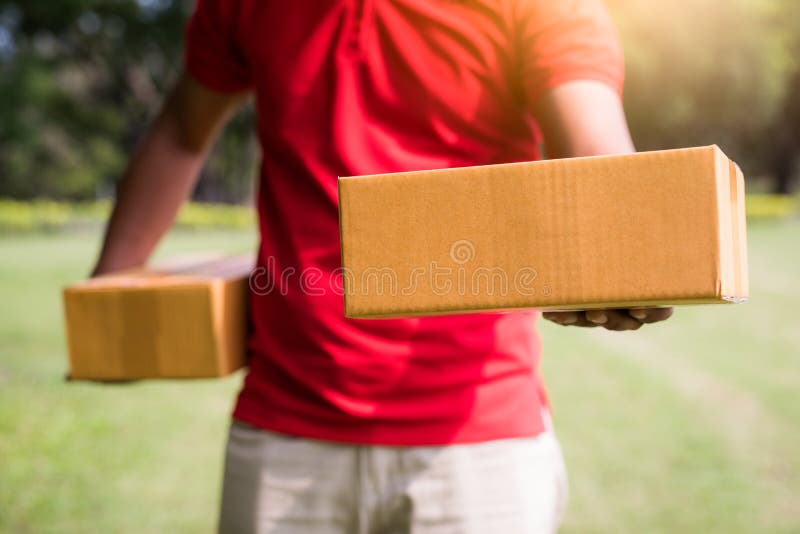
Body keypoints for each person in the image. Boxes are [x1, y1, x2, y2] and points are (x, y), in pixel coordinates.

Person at [92, 0, 673, 532]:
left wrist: (620, 255)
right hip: (284, 424)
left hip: (476, 441)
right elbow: (180, 131)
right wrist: (106, 310)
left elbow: (600, 163)